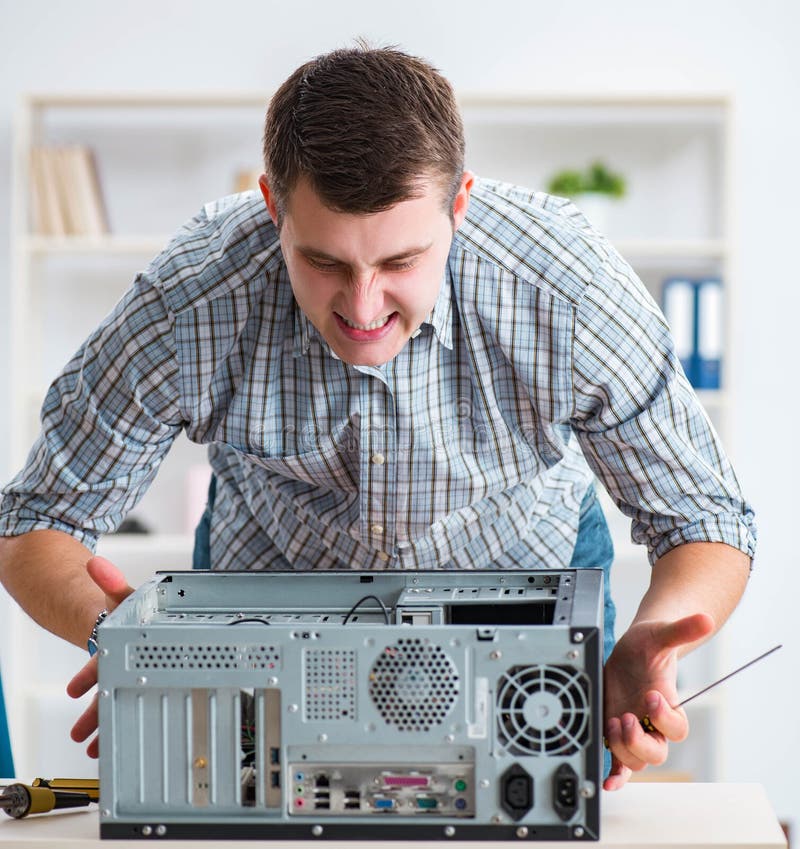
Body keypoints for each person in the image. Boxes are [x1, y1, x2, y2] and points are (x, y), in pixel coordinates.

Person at [0, 45, 754, 791]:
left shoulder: (568, 287)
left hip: (524, 590)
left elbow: (704, 517)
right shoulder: (192, 298)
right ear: (273, 206)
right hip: (263, 609)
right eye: (324, 261)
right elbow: (35, 524)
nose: (363, 310)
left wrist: (655, 635)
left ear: (459, 204)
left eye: (400, 262)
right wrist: (130, 639)